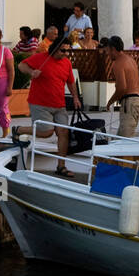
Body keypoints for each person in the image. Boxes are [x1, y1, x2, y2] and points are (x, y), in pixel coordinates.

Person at [19, 33, 84, 177]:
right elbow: (21, 65)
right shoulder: (41, 58)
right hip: (39, 103)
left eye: (68, 50)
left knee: (63, 132)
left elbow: (70, 82)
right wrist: (31, 72)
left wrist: (75, 97)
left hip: (59, 104)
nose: (66, 53)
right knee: (46, 132)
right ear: (54, 49)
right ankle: (19, 130)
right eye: (63, 50)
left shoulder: (66, 62)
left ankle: (61, 166)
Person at [102, 35, 139, 137]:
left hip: (129, 102)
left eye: (107, 51)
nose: (107, 54)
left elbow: (122, 87)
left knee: (125, 140)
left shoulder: (118, 63)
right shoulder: (130, 59)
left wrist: (110, 101)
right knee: (121, 137)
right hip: (138, 100)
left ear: (113, 49)